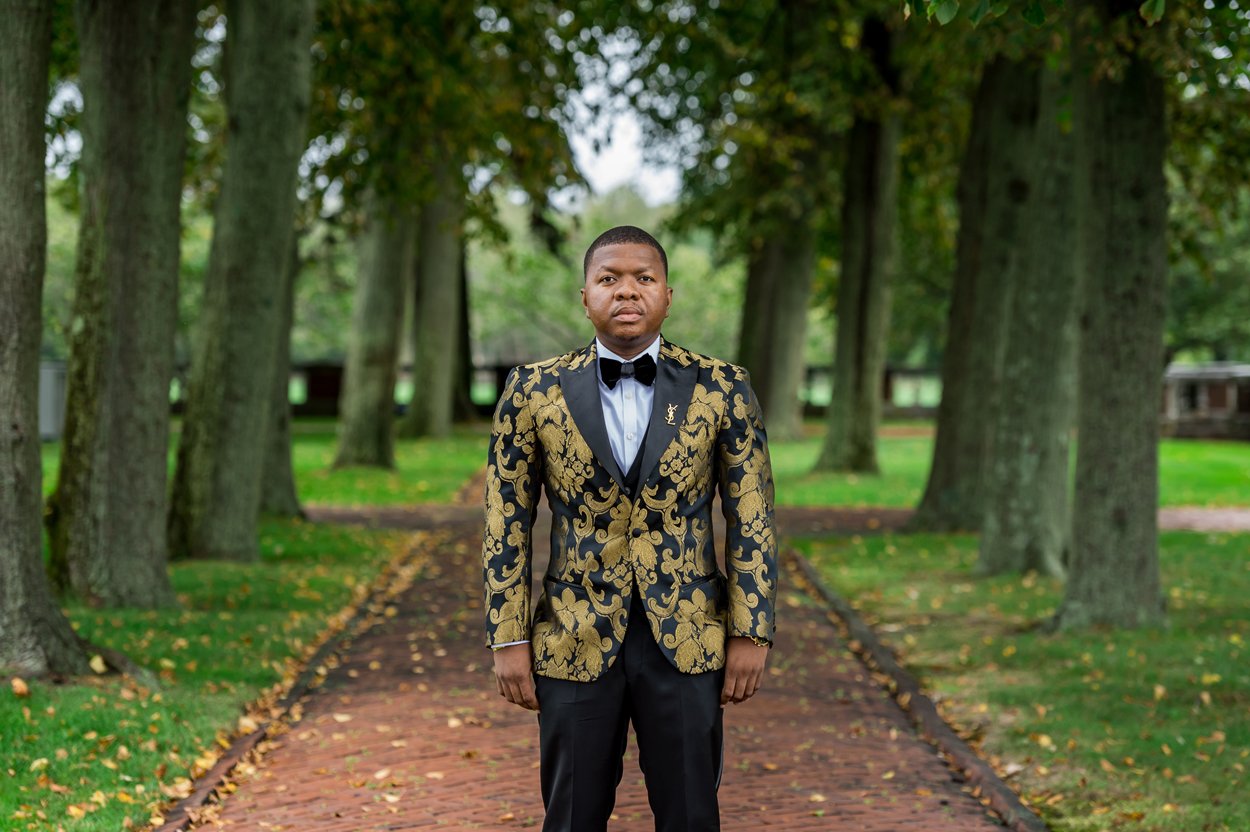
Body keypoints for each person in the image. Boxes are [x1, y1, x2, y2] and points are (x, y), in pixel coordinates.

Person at [482, 225, 778, 832]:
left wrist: (752, 631)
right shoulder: (531, 390)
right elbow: (505, 520)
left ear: (668, 295)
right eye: (609, 278)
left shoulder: (721, 386)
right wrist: (507, 638)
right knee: (570, 817)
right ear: (584, 296)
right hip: (573, 634)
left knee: (692, 814)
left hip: (689, 635)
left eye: (644, 278)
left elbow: (751, 517)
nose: (627, 291)